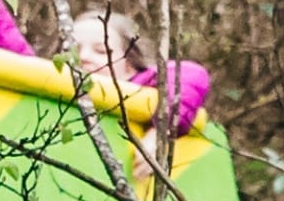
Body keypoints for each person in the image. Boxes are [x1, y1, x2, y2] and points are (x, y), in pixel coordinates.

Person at [66, 9, 212, 138]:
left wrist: (161, 130)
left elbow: (189, 74)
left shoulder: (143, 85)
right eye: (74, 49)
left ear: (129, 63)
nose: (83, 57)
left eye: (101, 51)